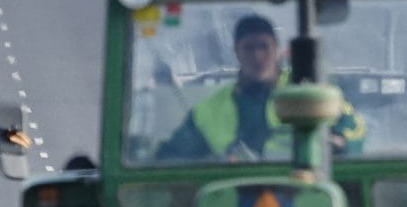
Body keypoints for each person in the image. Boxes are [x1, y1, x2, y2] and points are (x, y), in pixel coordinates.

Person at [156, 14, 365, 161]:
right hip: (231, 204)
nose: (257, 56)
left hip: (303, 192)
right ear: (236, 52)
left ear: (277, 49)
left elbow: (355, 130)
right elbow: (171, 158)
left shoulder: (311, 94)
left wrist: (339, 143)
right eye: (248, 48)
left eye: (263, 46)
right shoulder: (209, 111)